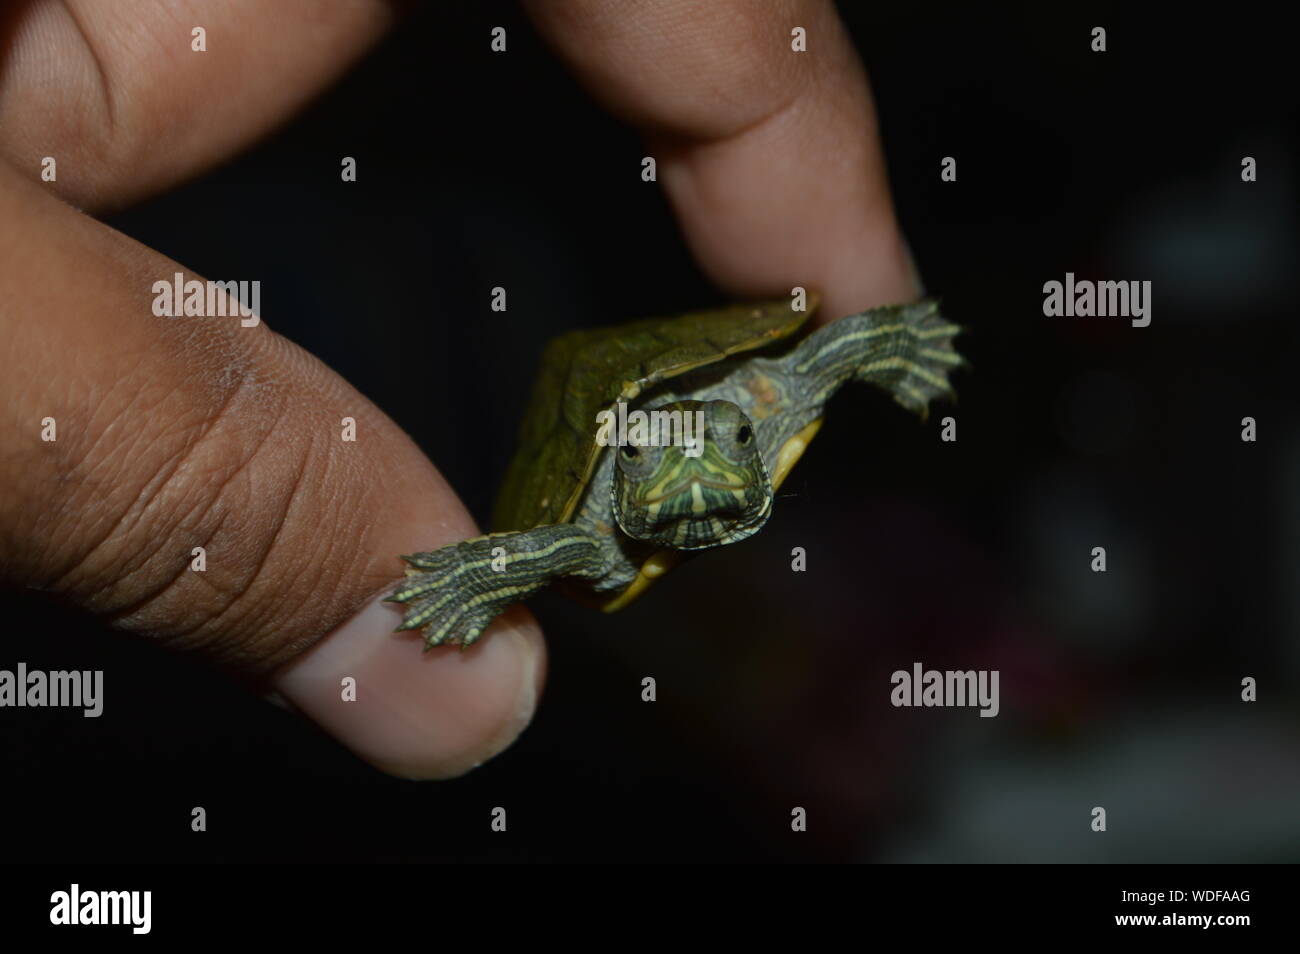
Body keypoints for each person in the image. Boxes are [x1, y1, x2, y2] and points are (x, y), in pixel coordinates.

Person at [0, 0, 921, 778]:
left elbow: (829, 348)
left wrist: (893, 342)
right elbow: (526, 553)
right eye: (643, 445)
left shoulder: (764, 397)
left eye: (720, 437)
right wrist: (457, 584)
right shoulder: (589, 542)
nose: (687, 454)